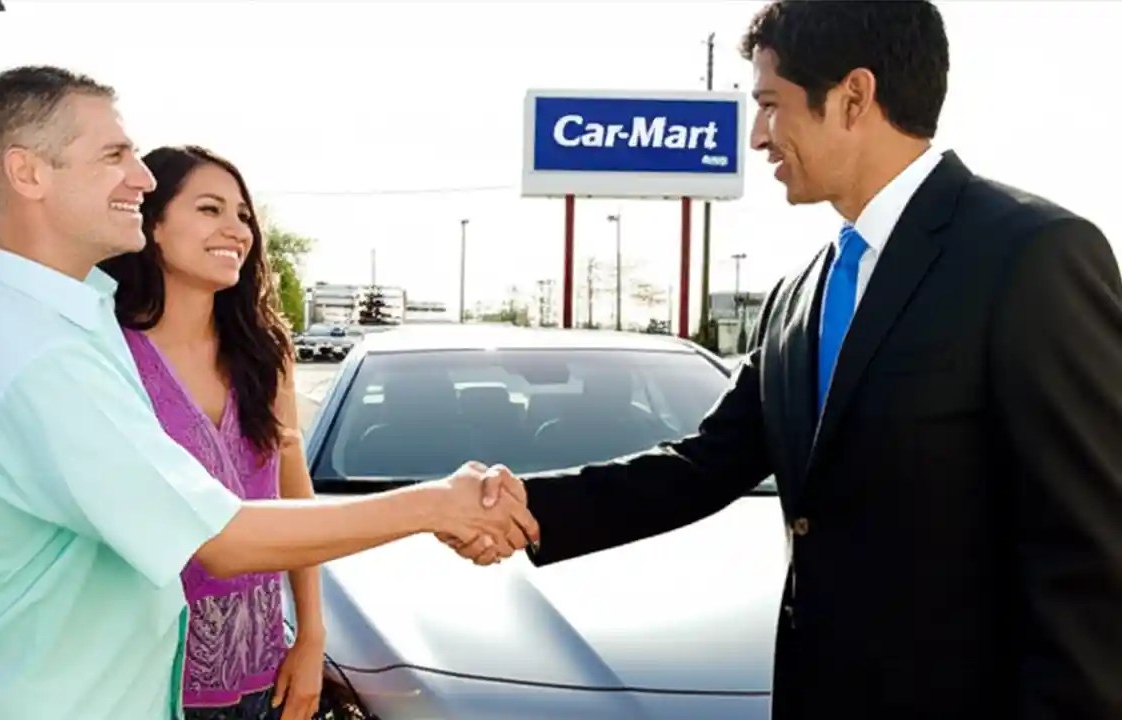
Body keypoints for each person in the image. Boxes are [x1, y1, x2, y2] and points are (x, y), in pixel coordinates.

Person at [452, 2, 1122, 719]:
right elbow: (705, 463)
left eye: (770, 105)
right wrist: (525, 506)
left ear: (853, 97)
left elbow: (1090, 554)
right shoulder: (800, 292)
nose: (757, 135)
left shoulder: (1030, 255)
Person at [0, 65, 536, 720]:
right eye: (115, 155)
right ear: (28, 173)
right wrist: (438, 504)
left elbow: (26, 493)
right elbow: (219, 536)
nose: (141, 178)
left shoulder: (62, 319)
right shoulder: (40, 352)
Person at [0, 143, 354, 720]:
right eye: (210, 209)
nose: (236, 229)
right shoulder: (103, 349)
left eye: (243, 215)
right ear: (155, 225)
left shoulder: (265, 353)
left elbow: (293, 494)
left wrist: (311, 636)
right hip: (143, 679)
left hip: (263, 668)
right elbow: (31, 478)